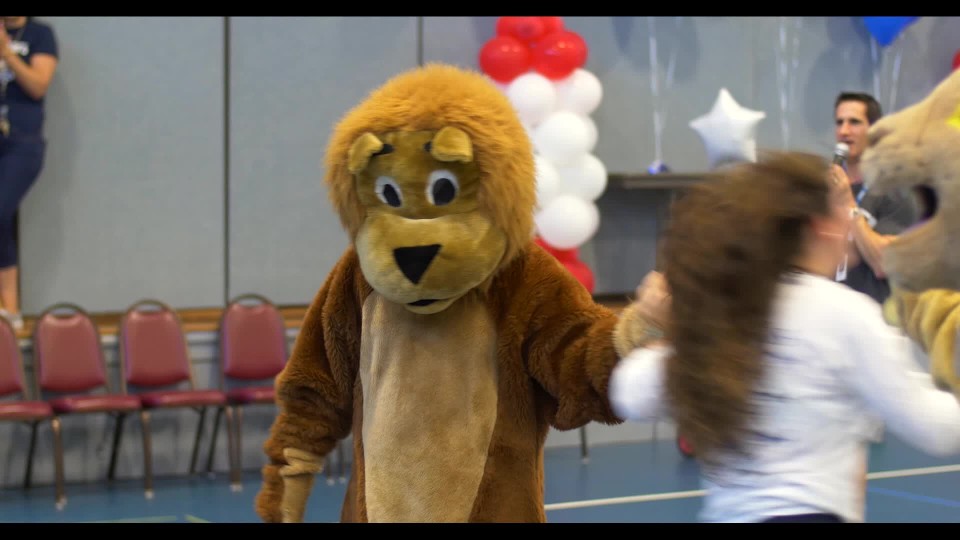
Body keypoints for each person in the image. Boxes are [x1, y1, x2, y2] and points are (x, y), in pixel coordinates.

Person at [608, 152, 960, 523]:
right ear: (818, 225)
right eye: (842, 209)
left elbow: (630, 395)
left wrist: (677, 334)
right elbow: (933, 427)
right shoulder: (842, 313)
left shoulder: (726, 313)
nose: (849, 222)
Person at [0, 16, 58, 330]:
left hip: (21, 142)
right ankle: (9, 310)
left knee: (0, 210)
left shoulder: (38, 34)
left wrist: (7, 54)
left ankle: (11, 306)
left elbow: (38, 86)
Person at [832, 92, 916, 305]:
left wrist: (848, 205)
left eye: (854, 122)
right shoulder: (825, 190)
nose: (844, 131)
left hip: (872, 319)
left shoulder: (894, 192)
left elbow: (883, 263)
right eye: (839, 122)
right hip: (829, 315)